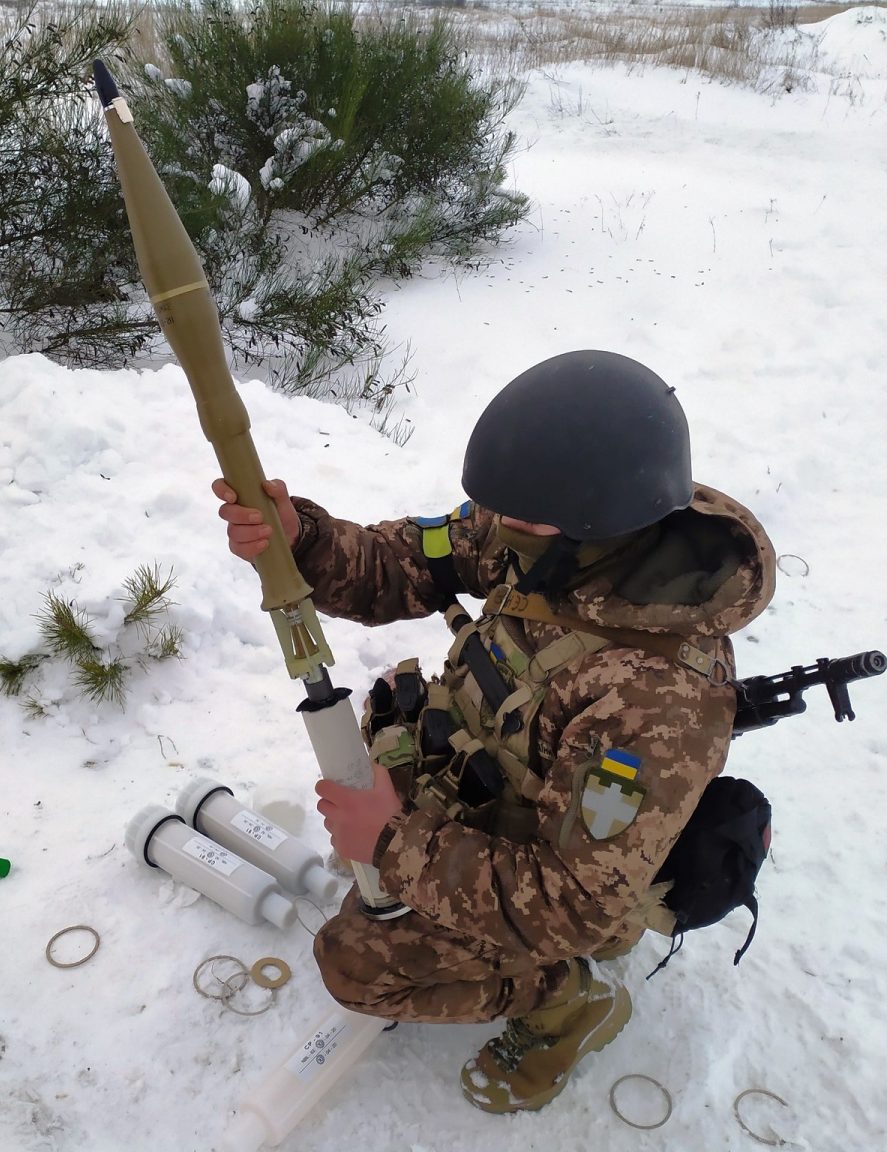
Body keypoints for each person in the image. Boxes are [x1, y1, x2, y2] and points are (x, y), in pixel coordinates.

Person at [213, 349, 776, 1114]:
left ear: (603, 513)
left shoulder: (652, 700)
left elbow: (574, 902)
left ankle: (566, 1001)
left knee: (355, 965)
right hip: (486, 794)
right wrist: (304, 538)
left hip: (566, 880)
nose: (500, 527)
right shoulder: (546, 527)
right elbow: (407, 560)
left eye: (523, 515)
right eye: (501, 508)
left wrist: (393, 843)